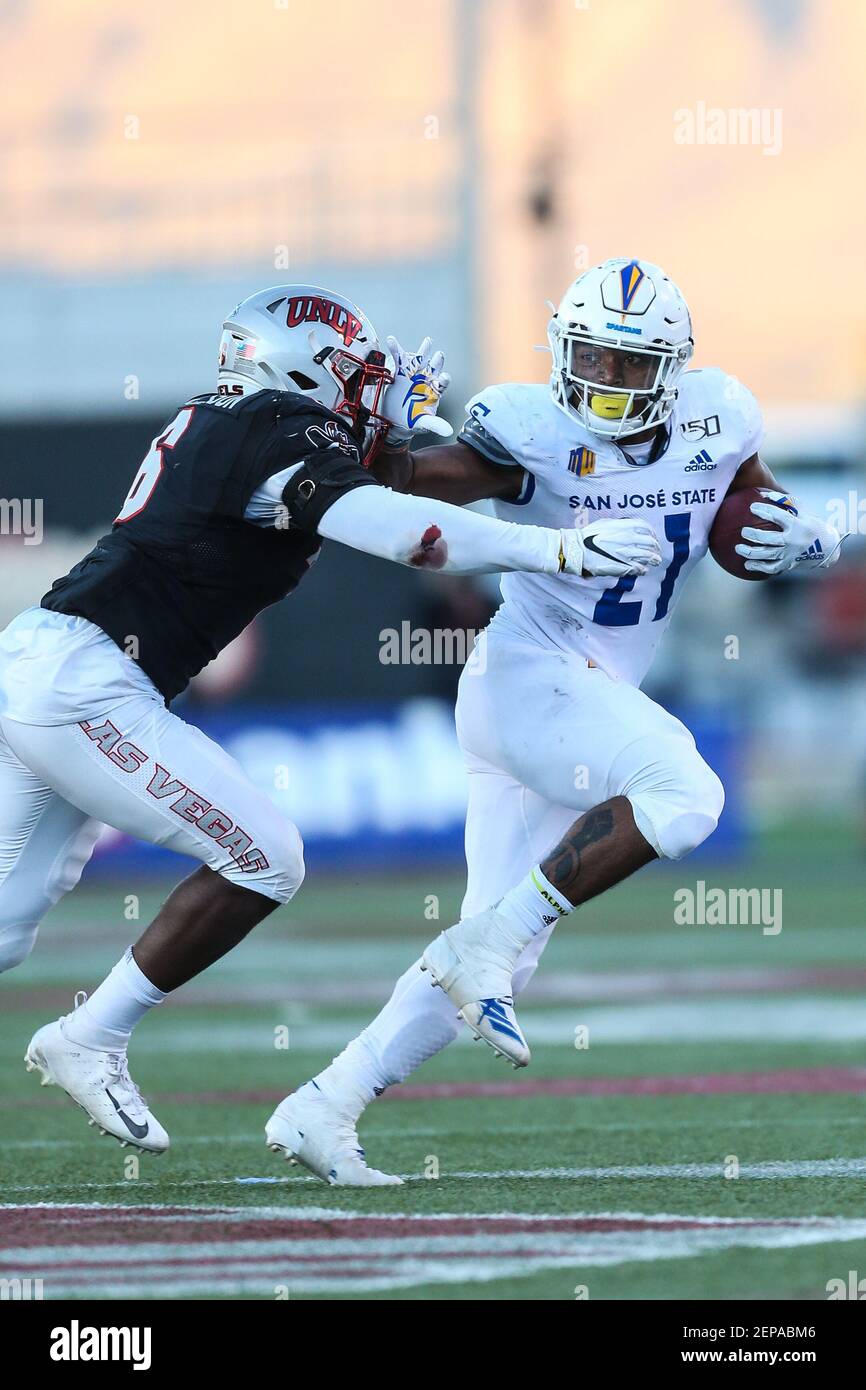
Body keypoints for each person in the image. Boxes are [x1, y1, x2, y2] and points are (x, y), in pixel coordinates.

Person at [0, 283, 660, 1178]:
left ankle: (89, 1035)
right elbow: (406, 535)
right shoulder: (276, 420)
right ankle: (91, 1034)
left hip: (54, 664)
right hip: (87, 683)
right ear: (301, 366)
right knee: (265, 855)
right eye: (355, 373)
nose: (371, 389)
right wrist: (556, 549)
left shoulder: (235, 421)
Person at [270, 257, 844, 1186]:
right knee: (687, 793)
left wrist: (807, 536)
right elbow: (420, 480)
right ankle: (489, 941)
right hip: (531, 676)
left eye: (630, 365)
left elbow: (749, 508)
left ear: (675, 367)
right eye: (594, 359)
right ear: (560, 349)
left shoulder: (720, 412)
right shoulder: (526, 425)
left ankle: (324, 1105)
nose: (608, 383)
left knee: (494, 967)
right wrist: (394, 426)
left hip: (573, 699)